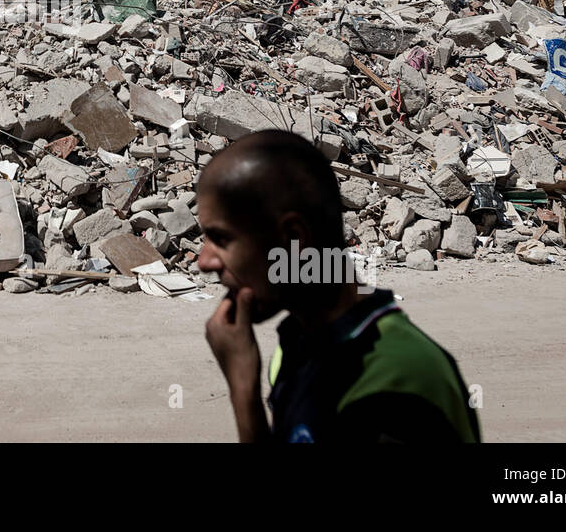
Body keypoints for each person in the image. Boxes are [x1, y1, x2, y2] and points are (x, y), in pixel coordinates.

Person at [196, 129, 480, 443]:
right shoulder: (296, 346)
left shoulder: (392, 383)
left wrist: (242, 390)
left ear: (293, 240)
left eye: (221, 239)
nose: (203, 261)